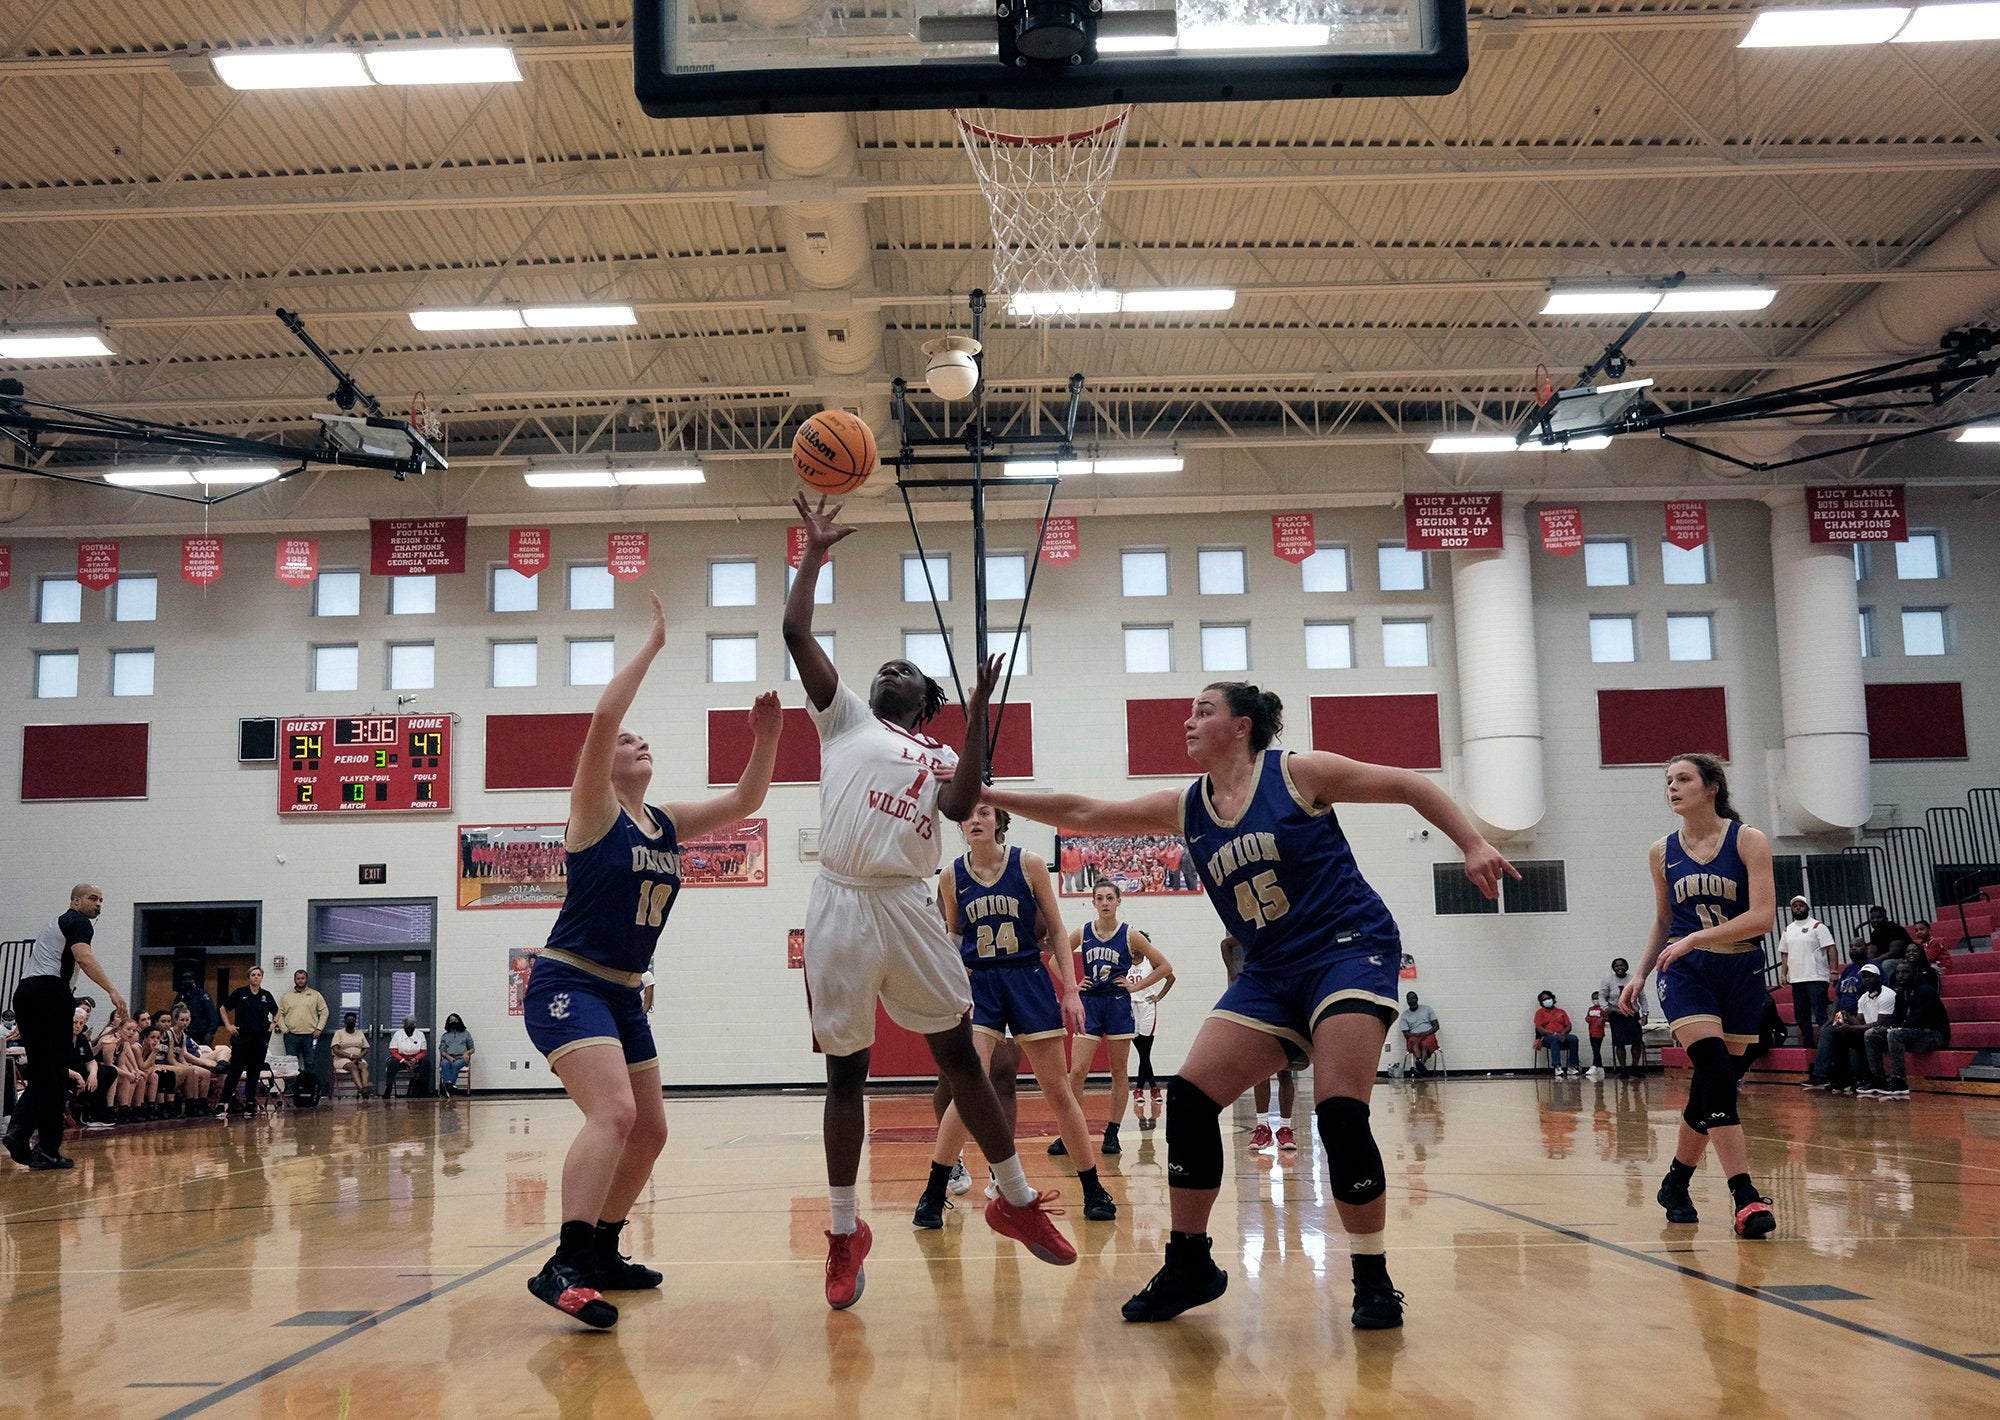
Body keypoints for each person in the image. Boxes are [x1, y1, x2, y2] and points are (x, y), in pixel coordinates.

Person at [983, 681, 1516, 1327]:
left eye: (1203, 710)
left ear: (1241, 725)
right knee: (1190, 1096)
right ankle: (1189, 1262)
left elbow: (1407, 782)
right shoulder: (1187, 806)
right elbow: (1086, 811)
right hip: (1269, 968)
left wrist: (1472, 841)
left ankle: (1372, 1278)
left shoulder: (1298, 774)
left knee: (1340, 1113)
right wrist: (986, 792)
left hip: (1347, 948)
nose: (1188, 720)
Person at [785, 493, 1079, 1311]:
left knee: (962, 1058)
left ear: (924, 702)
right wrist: (813, 554)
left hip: (911, 905)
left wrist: (983, 711)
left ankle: (1014, 1201)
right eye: (884, 666)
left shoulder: (947, 751)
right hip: (842, 900)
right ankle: (846, 1232)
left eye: (903, 670)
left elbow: (959, 806)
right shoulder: (842, 717)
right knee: (847, 1074)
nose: (888, 670)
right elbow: (796, 634)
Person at [522, 588, 782, 1330]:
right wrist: (656, 646)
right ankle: (564, 1263)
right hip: (568, 981)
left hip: (625, 993)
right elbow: (604, 718)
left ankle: (602, 1247)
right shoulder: (593, 809)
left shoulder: (663, 823)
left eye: (644, 742)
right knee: (613, 1113)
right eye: (630, 742)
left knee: (652, 1129)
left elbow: (745, 799)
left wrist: (765, 733)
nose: (637, 743)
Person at [916, 803, 1116, 1228]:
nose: (975, 820)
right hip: (982, 984)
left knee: (1058, 1090)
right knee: (967, 1088)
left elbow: (1059, 931)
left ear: (998, 822)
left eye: (984, 813)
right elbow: (953, 934)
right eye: (967, 816)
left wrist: (1069, 990)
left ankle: (1093, 1188)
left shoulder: (1027, 864)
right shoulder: (952, 874)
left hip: (1026, 978)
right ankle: (933, 1194)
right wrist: (942, 979)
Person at [1619, 753, 1778, 1239]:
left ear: (1711, 786)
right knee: (1712, 1070)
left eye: (1683, 778)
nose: (1672, 787)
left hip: (1740, 968)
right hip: (1686, 971)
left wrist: (1694, 938)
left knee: (1711, 1088)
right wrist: (1641, 973)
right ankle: (1745, 1197)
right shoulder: (1661, 851)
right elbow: (1665, 921)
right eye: (1667, 781)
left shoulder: (1748, 841)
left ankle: (1676, 1181)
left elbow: (1763, 917)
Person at [5, 884, 129, 1170]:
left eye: (101, 900)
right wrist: (111, 990)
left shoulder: (54, 925)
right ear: (75, 901)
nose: (98, 904)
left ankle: (26, 1135)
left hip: (26, 993)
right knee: (55, 1076)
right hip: (50, 993)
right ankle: (38, 1142)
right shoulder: (78, 921)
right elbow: (84, 957)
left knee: (44, 1075)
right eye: (92, 898)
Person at [1052, 883, 1173, 1160]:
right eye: (1099, 898)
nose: (1105, 902)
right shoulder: (1083, 932)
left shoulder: (1130, 934)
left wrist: (1136, 986)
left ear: (1119, 901)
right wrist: (1071, 984)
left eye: (1109, 898)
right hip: (1090, 1004)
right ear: (1093, 902)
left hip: (1118, 1005)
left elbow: (1165, 967)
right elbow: (1055, 961)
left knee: (1118, 1071)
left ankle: (1112, 1132)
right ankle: (1069, 1133)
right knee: (1078, 1071)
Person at [1221, 935, 1298, 1148]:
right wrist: (1235, 976)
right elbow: (1226, 944)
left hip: (1285, 1000)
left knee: (1285, 1071)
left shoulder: (1288, 930)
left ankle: (1285, 1128)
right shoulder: (1255, 930)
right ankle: (1262, 1127)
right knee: (1260, 1070)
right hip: (1259, 1002)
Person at [1867, 958, 1949, 1099]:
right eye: (1898, 972)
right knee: (1871, 1035)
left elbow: (1918, 1021)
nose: (1900, 975)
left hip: (1934, 1035)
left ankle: (1899, 1081)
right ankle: (1878, 1079)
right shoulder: (1901, 994)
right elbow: (1895, 1018)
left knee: (1894, 1034)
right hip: (1911, 1034)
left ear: (1915, 973)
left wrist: (1891, 1028)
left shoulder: (1926, 991)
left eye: (1905, 972)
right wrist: (1883, 1027)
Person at [1806, 946, 1873, 1093]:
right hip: (1842, 1014)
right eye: (1851, 947)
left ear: (1866, 948)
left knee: (1848, 1034)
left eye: (1858, 945)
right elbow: (1838, 995)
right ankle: (1821, 1075)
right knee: (1827, 1031)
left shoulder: (1872, 968)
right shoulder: (1848, 970)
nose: (1854, 949)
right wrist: (1832, 1016)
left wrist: (1855, 1018)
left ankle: (1856, 1076)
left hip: (1860, 1016)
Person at [218, 966, 279, 1116]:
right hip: (242, 1037)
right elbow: (223, 1008)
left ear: (262, 978)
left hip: (260, 1037)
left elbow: (277, 1011)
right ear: (249, 977)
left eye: (258, 975)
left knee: (254, 1071)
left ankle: (250, 1103)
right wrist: (228, 1025)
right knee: (236, 1070)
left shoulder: (266, 995)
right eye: (253, 974)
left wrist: (273, 1024)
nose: (256, 977)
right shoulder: (240, 993)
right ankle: (222, 1103)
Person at [1779, 896, 1834, 1048]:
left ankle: (1827, 1049)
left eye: (1801, 905)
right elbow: (1785, 953)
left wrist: (1834, 970)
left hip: (1816, 977)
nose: (1798, 908)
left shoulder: (1817, 926)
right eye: (1795, 906)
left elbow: (1831, 948)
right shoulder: (1787, 929)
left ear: (1807, 907)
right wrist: (1783, 973)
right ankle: (1809, 1047)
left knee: (1821, 1015)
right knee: (1801, 1017)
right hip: (1797, 979)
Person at [1129, 951, 1174, 1129]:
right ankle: (1154, 1087)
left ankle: (1139, 1090)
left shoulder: (1151, 962)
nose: (1132, 948)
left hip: (1147, 1006)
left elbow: (1171, 978)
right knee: (1142, 1054)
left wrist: (1159, 997)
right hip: (1130, 1007)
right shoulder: (1124, 961)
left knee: (1145, 1052)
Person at [1850, 966, 1899, 1096]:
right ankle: (1851, 1077)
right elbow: (1859, 1021)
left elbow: (1881, 1023)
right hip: (1870, 1031)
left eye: (1870, 976)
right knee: (1843, 1035)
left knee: (1868, 1034)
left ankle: (1878, 1078)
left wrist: (1852, 1027)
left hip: (1887, 1032)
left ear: (1878, 978)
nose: (1866, 979)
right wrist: (1847, 1018)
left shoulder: (1888, 995)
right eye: (1864, 977)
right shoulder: (1863, 998)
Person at [278, 969, 329, 1080]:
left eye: (302, 978)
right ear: (294, 980)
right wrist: (285, 1030)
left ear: (306, 979)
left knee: (310, 1063)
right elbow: (279, 1014)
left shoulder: (315, 995)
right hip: (291, 1036)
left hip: (310, 1036)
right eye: (298, 978)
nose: (300, 981)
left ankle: (309, 1089)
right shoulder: (286, 996)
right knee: (291, 1065)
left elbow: (324, 1012)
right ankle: (291, 1090)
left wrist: (319, 1028)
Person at [1601, 957, 1647, 1078]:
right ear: (1613, 968)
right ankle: (1623, 1069)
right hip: (1617, 1015)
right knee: (1619, 1043)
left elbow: (1642, 997)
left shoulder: (1633, 979)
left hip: (1632, 1014)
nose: (1619, 967)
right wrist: (1606, 1008)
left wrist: (1645, 1013)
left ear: (1626, 967)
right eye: (1617, 966)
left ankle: (1634, 1067)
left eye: (1622, 965)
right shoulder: (1608, 981)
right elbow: (1602, 996)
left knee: (1637, 1042)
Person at [1534, 991, 1581, 1078]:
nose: (1547, 1001)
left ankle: (1572, 1066)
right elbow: (1539, 1028)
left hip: (1562, 1035)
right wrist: (1555, 1034)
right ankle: (1557, 1066)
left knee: (1573, 1039)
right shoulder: (1539, 1013)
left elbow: (1568, 1026)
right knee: (1554, 1039)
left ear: (1553, 999)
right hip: (1546, 1037)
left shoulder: (1561, 1012)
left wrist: (1562, 1034)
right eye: (1544, 1000)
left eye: (1548, 998)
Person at [382, 1018, 429, 1097]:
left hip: (415, 1060)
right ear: (403, 1025)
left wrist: (415, 1059)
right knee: (391, 1063)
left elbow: (423, 1052)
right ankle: (388, 1089)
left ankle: (423, 1091)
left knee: (426, 1063)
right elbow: (393, 1050)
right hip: (400, 1059)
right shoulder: (398, 1034)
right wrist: (404, 1061)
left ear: (415, 1026)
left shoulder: (420, 1034)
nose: (409, 1027)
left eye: (412, 1025)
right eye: (407, 1025)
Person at [1400, 992, 1440, 1077]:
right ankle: (1420, 1064)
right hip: (1414, 1035)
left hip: (1428, 1034)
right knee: (1413, 1041)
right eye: (1409, 999)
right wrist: (1416, 1034)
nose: (1411, 1000)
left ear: (1417, 999)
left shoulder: (1427, 1009)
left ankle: (1419, 1065)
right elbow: (1406, 1033)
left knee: (1425, 1044)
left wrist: (1426, 1033)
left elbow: (1436, 1026)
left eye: (1413, 998)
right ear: (1407, 1001)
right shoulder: (1404, 1015)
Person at [330, 1014, 370, 1097]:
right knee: (353, 1067)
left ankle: (365, 1088)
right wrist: (351, 1056)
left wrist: (359, 1056)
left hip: (358, 1058)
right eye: (349, 1020)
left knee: (364, 1066)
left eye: (353, 1020)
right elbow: (336, 1050)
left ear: (356, 1021)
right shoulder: (339, 1033)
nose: (351, 1022)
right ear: (345, 1021)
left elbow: (366, 1048)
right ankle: (360, 1089)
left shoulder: (359, 1033)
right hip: (341, 1059)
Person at [176, 972, 220, 1047]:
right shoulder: (180, 996)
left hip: (201, 1034)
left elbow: (213, 1016)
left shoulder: (202, 994)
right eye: (185, 979)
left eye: (189, 979)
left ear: (194, 980)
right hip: (185, 1033)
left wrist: (210, 1032)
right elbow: (174, 1014)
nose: (187, 981)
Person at [438, 1014, 476, 1096]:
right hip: (448, 1057)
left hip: (462, 1058)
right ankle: (450, 1087)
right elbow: (442, 1051)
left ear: (459, 1020)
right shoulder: (445, 1036)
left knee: (456, 1064)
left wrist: (467, 1053)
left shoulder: (466, 1034)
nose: (453, 1021)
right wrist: (449, 1057)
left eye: (455, 1019)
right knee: (444, 1063)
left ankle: (446, 1087)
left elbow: (472, 1049)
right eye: (451, 1020)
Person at [1585, 993, 1609, 1076]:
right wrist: (1587, 1019)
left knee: (1596, 1050)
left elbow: (1608, 1018)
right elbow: (1587, 1017)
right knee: (1595, 1050)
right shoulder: (1590, 1009)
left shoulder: (1603, 1008)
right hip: (1591, 1031)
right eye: (1594, 998)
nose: (1596, 1000)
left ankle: (1594, 1065)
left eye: (1597, 998)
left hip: (1599, 1032)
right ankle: (1600, 1067)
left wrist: (1602, 1019)